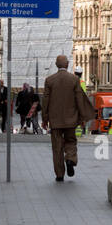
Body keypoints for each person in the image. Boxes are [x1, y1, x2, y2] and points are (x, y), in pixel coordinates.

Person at [42, 55, 94, 183]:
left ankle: (60, 174)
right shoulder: (74, 80)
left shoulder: (49, 80)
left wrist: (44, 119)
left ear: (56, 64)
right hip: (71, 120)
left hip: (55, 121)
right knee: (71, 141)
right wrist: (82, 117)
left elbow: (45, 101)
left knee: (57, 147)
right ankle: (70, 159)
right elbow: (79, 100)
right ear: (67, 65)